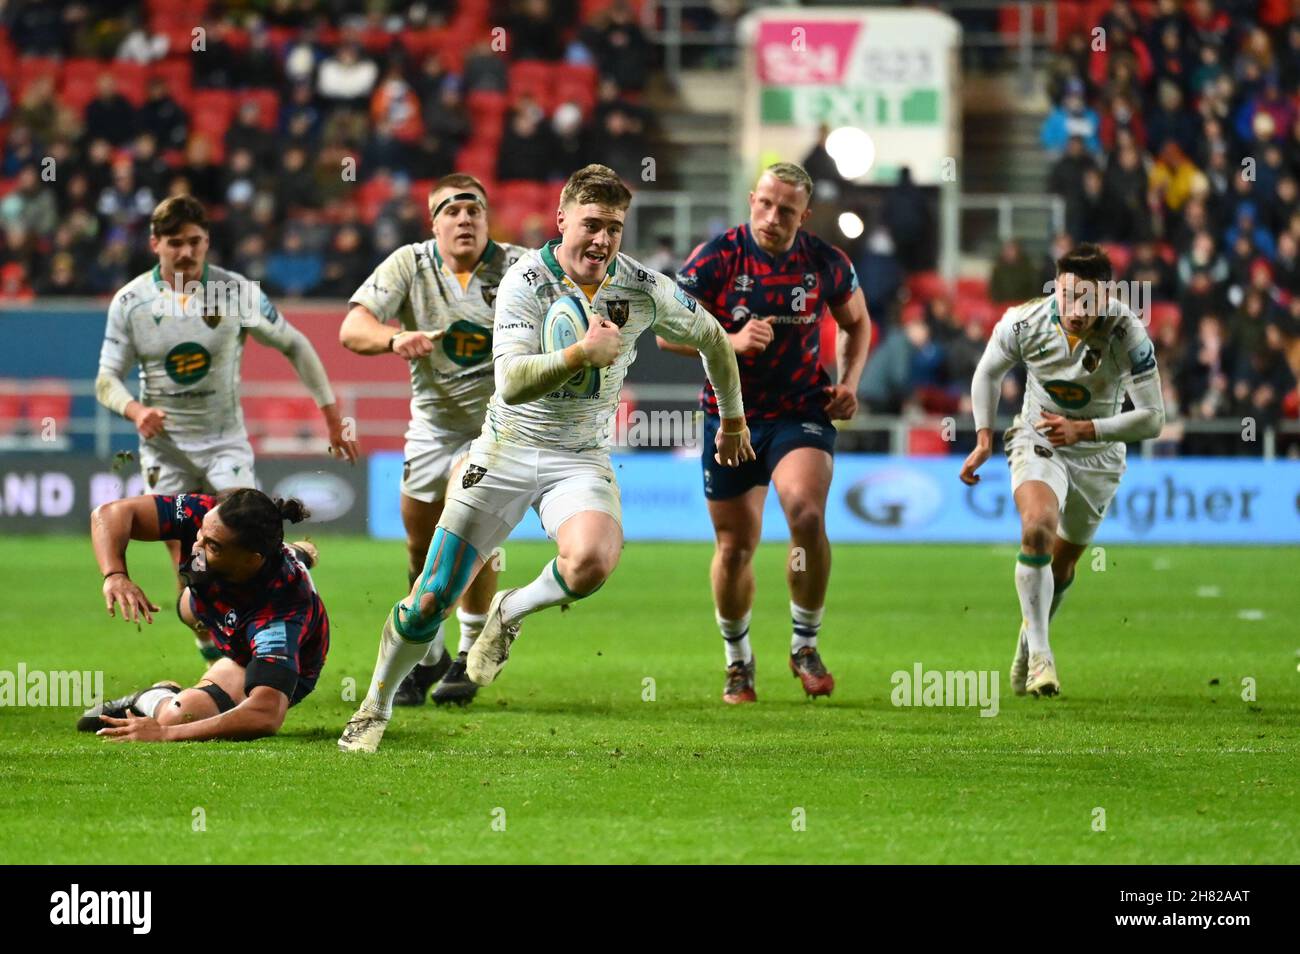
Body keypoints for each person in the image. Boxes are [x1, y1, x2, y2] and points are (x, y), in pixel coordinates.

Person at [338, 164, 754, 753]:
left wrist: (732, 418)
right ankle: (374, 705)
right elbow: (508, 382)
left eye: (614, 227)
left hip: (579, 457)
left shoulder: (642, 287)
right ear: (561, 221)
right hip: (505, 448)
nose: (602, 240)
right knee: (431, 597)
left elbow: (713, 338)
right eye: (591, 224)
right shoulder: (525, 281)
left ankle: (510, 611)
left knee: (591, 562)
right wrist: (581, 354)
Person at [94, 195, 358, 663]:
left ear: (207, 241)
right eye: (175, 242)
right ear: (155, 243)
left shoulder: (233, 292)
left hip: (224, 443)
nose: (186, 252)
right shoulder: (132, 302)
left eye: (195, 241)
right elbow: (105, 380)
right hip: (165, 448)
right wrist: (135, 411)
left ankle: (267, 633)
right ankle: (209, 644)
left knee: (245, 534)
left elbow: (295, 345)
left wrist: (331, 414)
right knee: (187, 564)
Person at [657, 162, 870, 703]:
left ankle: (804, 643)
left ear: (805, 213)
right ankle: (738, 661)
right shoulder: (716, 258)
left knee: (805, 512)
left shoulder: (824, 262)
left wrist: (848, 382)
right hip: (731, 418)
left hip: (800, 410)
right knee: (734, 547)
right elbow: (665, 333)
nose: (773, 217)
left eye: (787, 210)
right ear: (752, 199)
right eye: (766, 204)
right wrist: (727, 339)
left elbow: (856, 322)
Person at [339, 174, 528, 706]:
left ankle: (469, 654)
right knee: (421, 545)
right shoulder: (410, 264)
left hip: (497, 425)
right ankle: (432, 654)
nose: (464, 219)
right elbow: (352, 329)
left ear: (487, 219)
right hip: (431, 425)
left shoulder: (521, 266)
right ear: (434, 222)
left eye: (474, 210)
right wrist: (394, 337)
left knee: (469, 522)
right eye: (451, 210)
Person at [960, 243, 1165, 696]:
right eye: (1069, 296)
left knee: (1063, 564)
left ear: (1107, 296)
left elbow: (1153, 418)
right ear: (1058, 287)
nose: (1077, 310)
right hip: (1040, 436)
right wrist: (982, 436)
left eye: (1089, 300)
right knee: (1037, 528)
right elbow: (987, 372)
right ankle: (1041, 658)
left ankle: (1026, 646)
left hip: (1097, 452)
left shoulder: (1127, 332)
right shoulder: (1024, 321)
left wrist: (1085, 429)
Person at [80, 488, 328, 742]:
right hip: (211, 605)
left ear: (252, 560)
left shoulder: (280, 616)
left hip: (247, 654)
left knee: (177, 716)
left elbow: (265, 715)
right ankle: (296, 553)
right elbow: (110, 513)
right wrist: (115, 575)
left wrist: (164, 733)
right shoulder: (207, 516)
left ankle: (155, 695)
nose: (196, 546)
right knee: (186, 605)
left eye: (213, 546)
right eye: (201, 534)